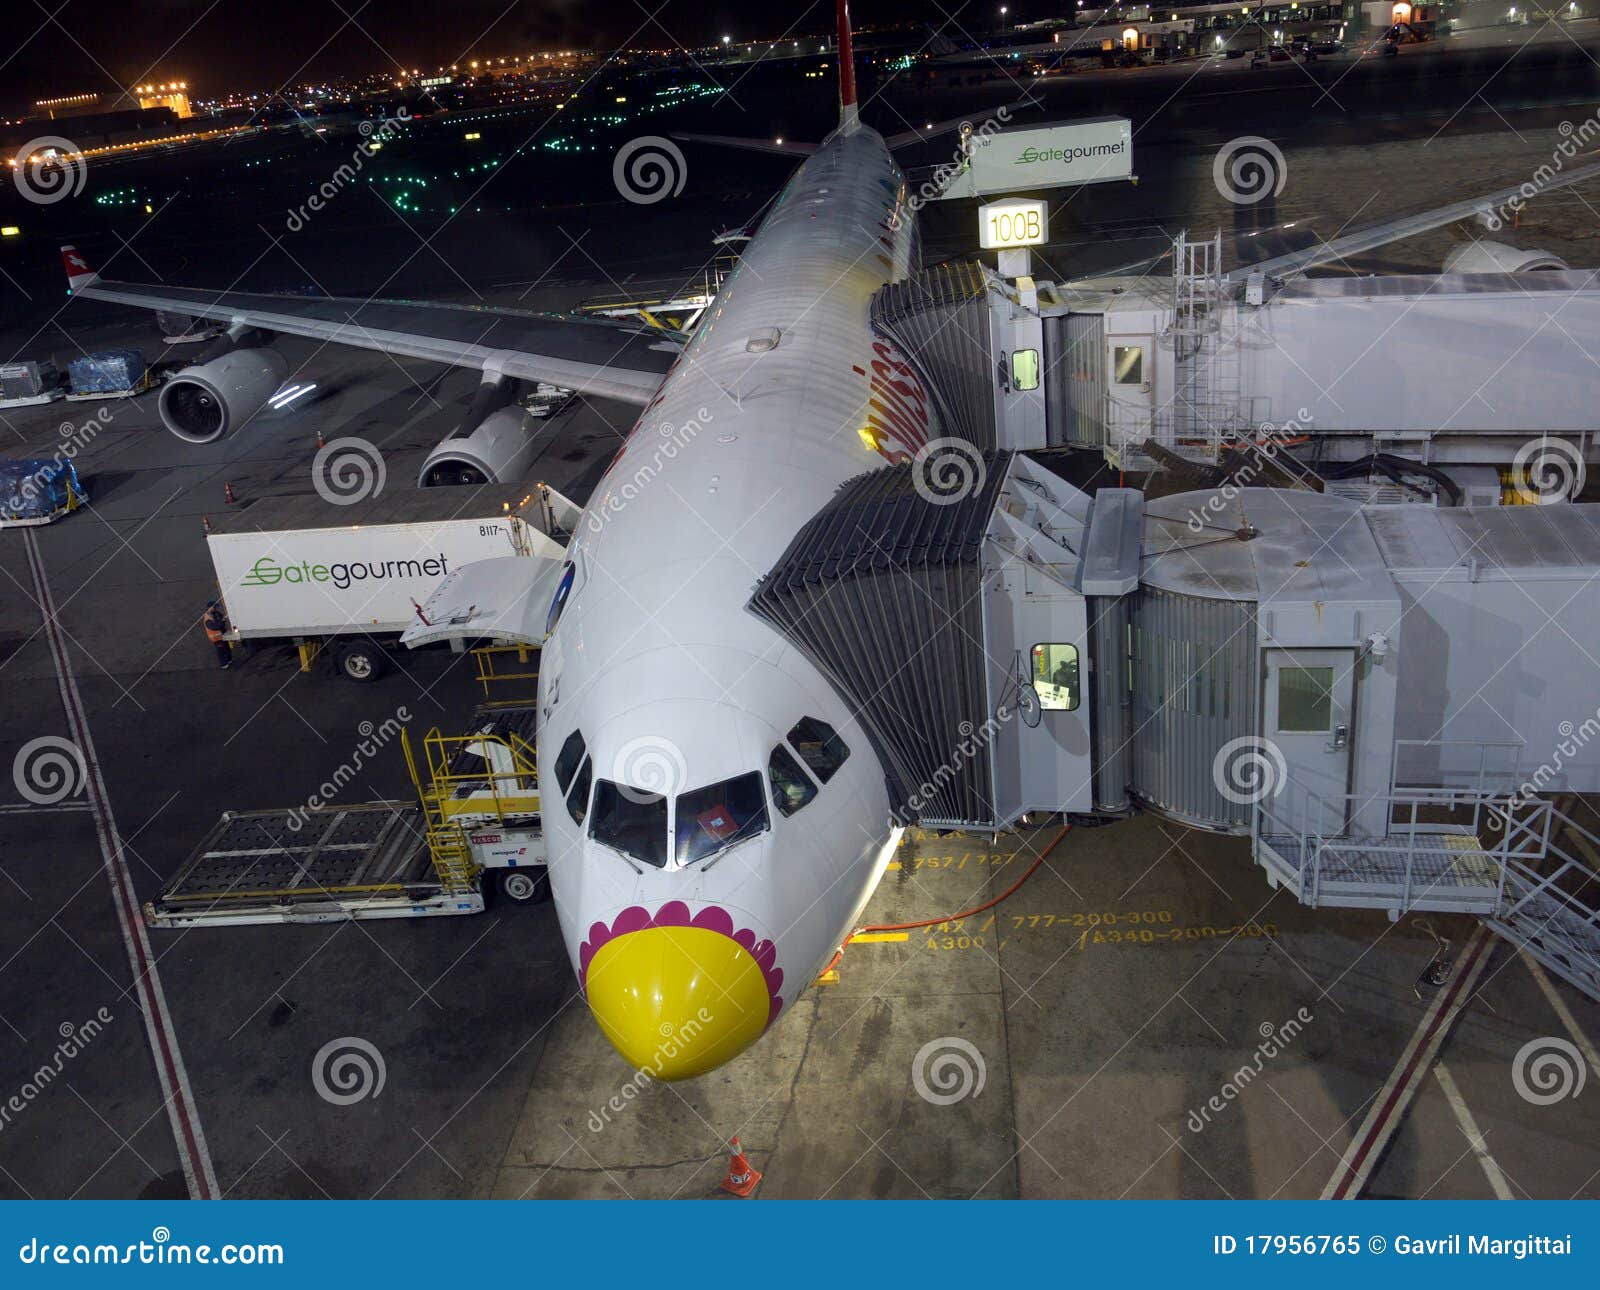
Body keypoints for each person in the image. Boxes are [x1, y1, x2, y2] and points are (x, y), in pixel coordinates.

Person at [203, 601, 232, 670]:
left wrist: (223, 619)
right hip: (216, 638)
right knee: (221, 651)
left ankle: (229, 660)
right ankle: (224, 664)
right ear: (211, 608)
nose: (216, 608)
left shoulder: (215, 613)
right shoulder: (208, 618)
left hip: (222, 635)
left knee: (227, 648)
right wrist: (222, 622)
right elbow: (214, 627)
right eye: (215, 607)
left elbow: (221, 617)